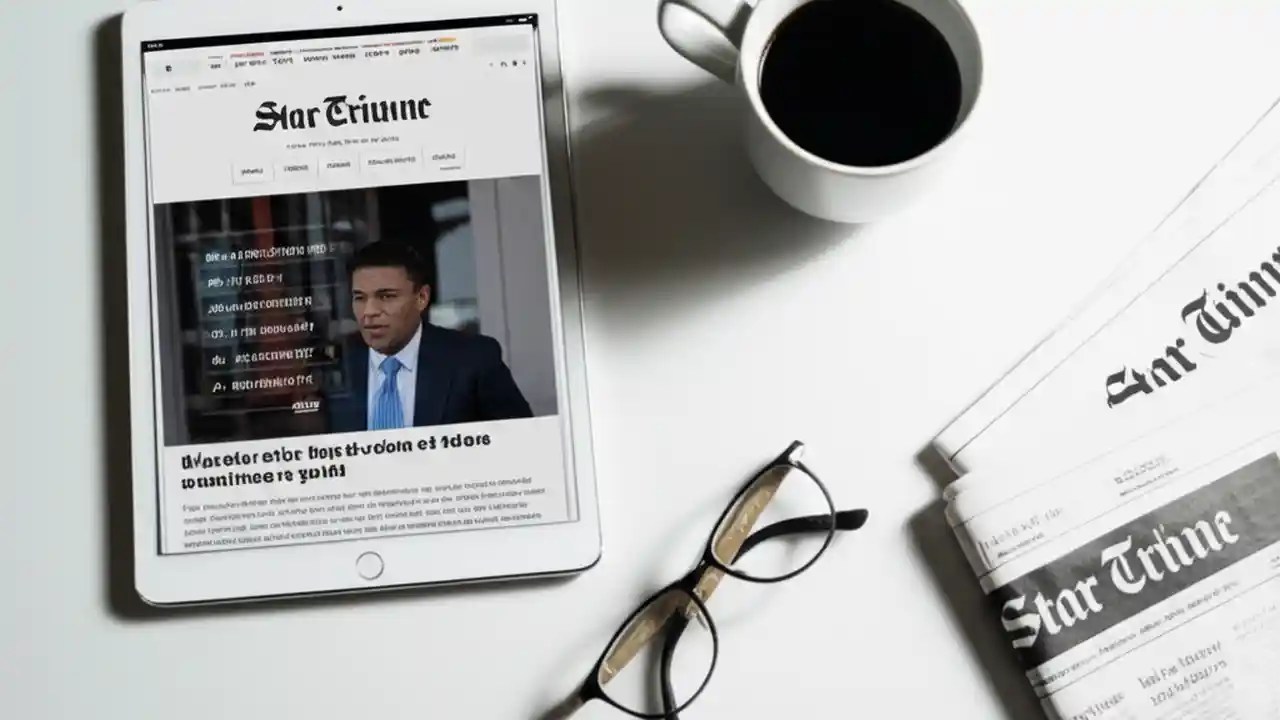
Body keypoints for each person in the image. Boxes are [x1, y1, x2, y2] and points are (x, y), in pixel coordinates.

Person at [327, 240, 533, 432]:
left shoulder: (473, 360)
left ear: (422, 298)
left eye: (386, 296)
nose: (369, 311)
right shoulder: (333, 365)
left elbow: (521, 444)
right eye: (360, 298)